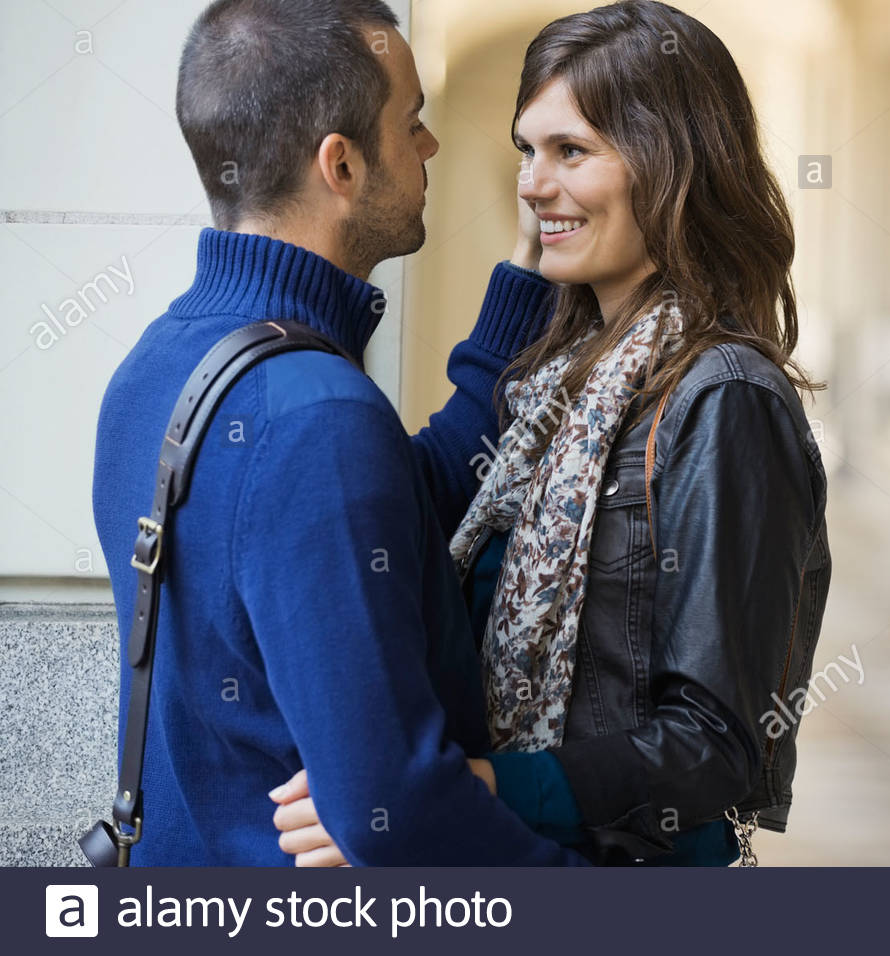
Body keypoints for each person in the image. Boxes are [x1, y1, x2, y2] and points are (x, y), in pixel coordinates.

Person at [271, 0, 832, 866]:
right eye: (526, 151)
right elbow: (406, 508)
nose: (532, 184)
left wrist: (475, 794)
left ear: (670, 163)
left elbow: (719, 746)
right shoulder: (548, 387)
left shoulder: (724, 401)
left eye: (571, 151)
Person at [91, 0, 584, 865]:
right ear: (343, 164)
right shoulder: (316, 416)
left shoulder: (153, 366)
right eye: (412, 122)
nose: (430, 147)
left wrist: (524, 281)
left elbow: (399, 511)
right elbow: (397, 810)